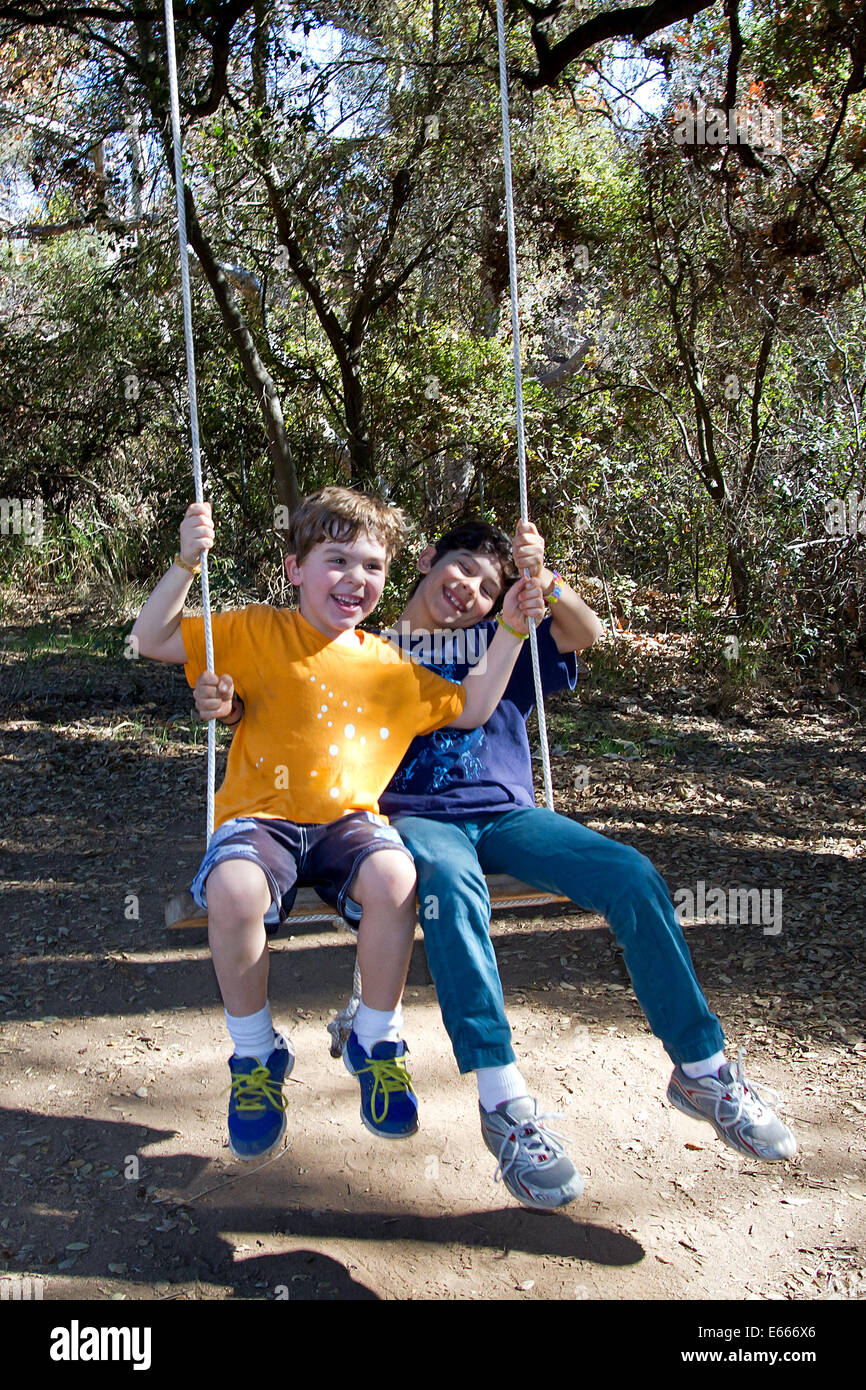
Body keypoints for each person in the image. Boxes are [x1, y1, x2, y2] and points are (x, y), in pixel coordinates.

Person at [198, 514, 797, 1206]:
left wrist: (543, 581)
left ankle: (703, 1067)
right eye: (461, 570)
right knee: (448, 887)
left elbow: (583, 632)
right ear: (424, 560)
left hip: (513, 817)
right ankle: (505, 1103)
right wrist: (235, 705)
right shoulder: (361, 647)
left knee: (631, 875)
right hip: (419, 820)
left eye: (488, 587)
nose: (470, 591)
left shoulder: (503, 640)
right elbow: (286, 703)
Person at [131, 488, 543, 1161]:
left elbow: (470, 704)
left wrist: (515, 629)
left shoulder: (389, 665)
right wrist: (184, 564)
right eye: (337, 560)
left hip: (348, 822)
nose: (357, 580)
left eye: (374, 567)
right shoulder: (253, 630)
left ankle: (375, 1038)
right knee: (233, 891)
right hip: (262, 819)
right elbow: (149, 639)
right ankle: (256, 1057)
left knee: (395, 873)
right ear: (295, 568)